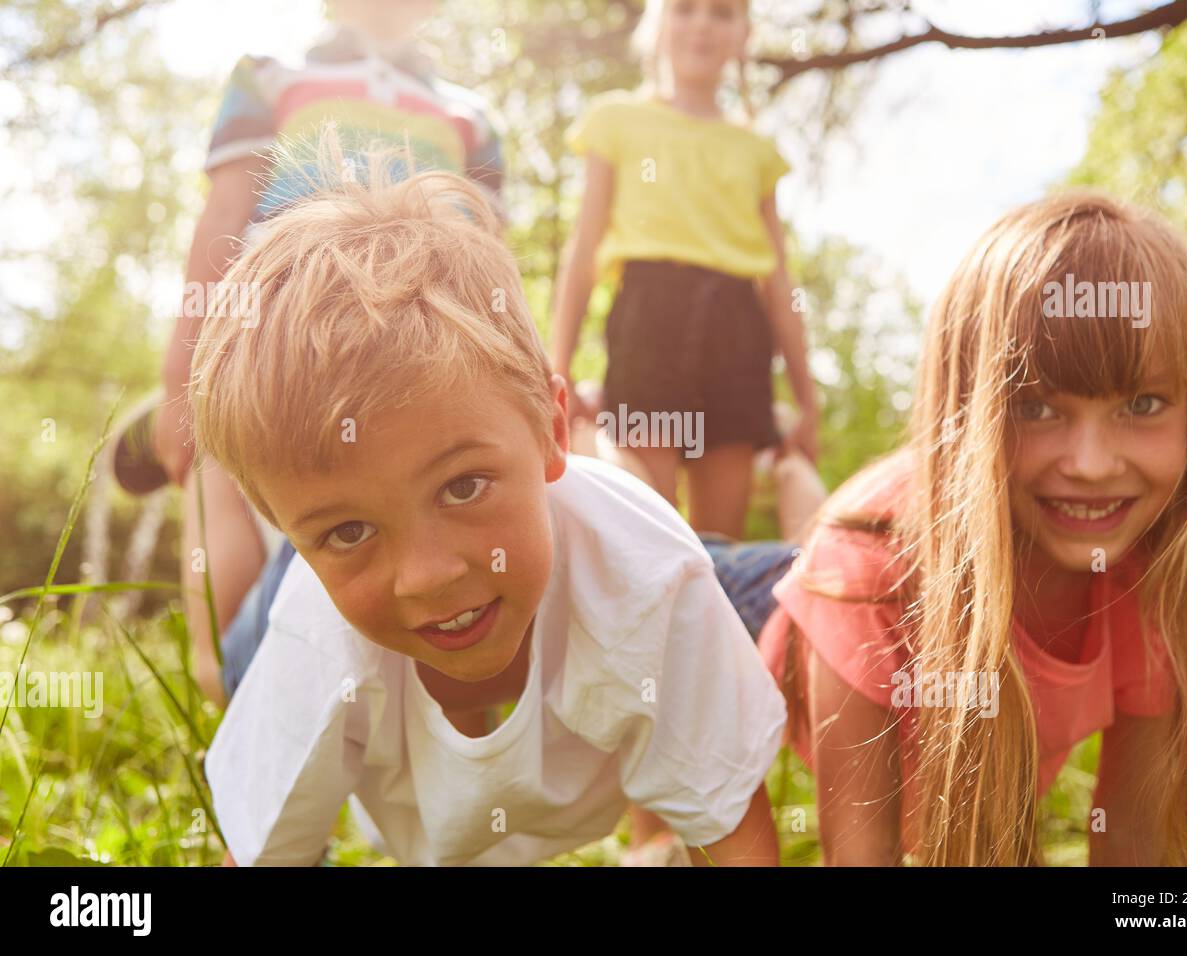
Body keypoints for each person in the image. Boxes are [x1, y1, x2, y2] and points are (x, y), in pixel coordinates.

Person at [193, 136, 786, 867]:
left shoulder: (652, 578)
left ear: (549, 429)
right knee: (237, 666)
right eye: (347, 531)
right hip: (369, 744)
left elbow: (732, 830)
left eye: (463, 486)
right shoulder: (316, 645)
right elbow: (261, 853)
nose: (428, 574)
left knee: (784, 585)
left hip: (636, 615)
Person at [758, 192, 1187, 865]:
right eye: (1035, 406)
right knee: (759, 548)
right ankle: (785, 464)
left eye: (1141, 403)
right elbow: (864, 856)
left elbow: (1132, 843)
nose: (1090, 465)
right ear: (962, 417)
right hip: (785, 591)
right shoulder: (863, 568)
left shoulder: (1157, 571)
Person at [111, 0, 504, 703]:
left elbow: (490, 251)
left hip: (424, 336)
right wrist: (182, 379)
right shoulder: (269, 76)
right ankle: (225, 679)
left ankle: (349, 684)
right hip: (282, 317)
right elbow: (226, 217)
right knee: (216, 460)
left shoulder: (471, 115)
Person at [550, 0, 817, 543]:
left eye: (722, 12)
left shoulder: (756, 150)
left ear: (744, 33)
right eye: (686, 8)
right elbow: (583, 248)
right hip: (650, 321)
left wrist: (806, 398)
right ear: (659, 23)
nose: (702, 24)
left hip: (739, 334)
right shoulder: (616, 120)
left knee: (717, 545)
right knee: (652, 533)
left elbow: (780, 283)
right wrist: (557, 363)